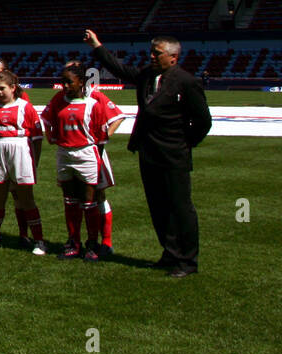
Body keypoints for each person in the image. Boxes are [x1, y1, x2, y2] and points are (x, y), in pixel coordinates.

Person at [85, 30, 211, 277]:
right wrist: (97, 46)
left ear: (173, 57)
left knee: (180, 208)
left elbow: (203, 121)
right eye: (151, 52)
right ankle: (169, 252)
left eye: (157, 53)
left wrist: (185, 144)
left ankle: (187, 261)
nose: (152, 56)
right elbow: (120, 69)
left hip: (174, 155)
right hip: (149, 153)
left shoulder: (186, 82)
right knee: (158, 207)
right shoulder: (147, 76)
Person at [42, 63, 124, 261]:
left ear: (81, 80)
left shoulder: (95, 98)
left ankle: (103, 242)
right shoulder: (59, 99)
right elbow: (47, 120)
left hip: (91, 152)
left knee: (96, 198)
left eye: (68, 80)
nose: (65, 85)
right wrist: (52, 137)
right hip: (67, 152)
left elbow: (116, 118)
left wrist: (99, 141)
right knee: (71, 200)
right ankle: (74, 242)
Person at [0, 70, 46, 255]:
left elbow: (38, 137)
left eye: (2, 89)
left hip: (20, 150)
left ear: (13, 88)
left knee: (26, 198)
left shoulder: (26, 107)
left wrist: (35, 161)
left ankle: (39, 240)